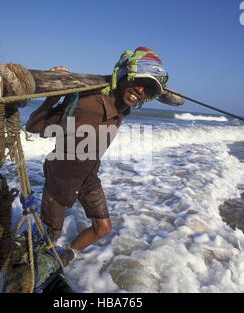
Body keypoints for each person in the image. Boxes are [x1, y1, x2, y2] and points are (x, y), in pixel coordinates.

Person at [25, 47, 169, 264]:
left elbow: (136, 88)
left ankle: (67, 255)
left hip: (88, 176)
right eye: (138, 81)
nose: (140, 90)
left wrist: (150, 84)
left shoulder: (124, 107)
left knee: (103, 228)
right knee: (51, 234)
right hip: (60, 176)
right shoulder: (85, 100)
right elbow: (33, 126)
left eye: (146, 90)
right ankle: (29, 262)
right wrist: (55, 91)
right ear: (124, 76)